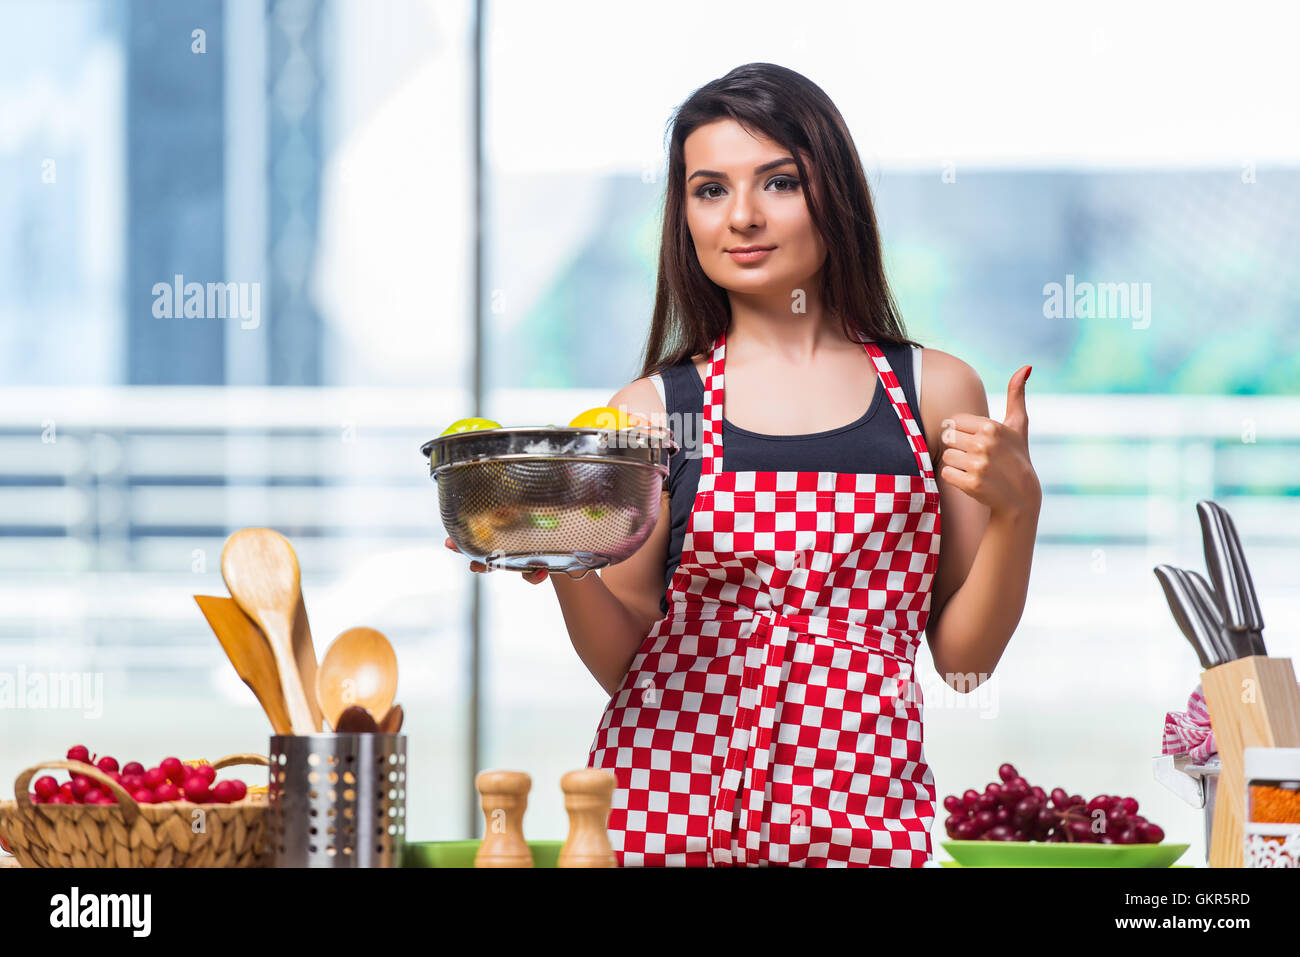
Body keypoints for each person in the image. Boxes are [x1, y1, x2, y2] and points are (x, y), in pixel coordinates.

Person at [447, 62, 1040, 867]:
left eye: (780, 182)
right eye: (711, 190)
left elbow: (964, 662)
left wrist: (1018, 511)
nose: (745, 217)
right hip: (659, 815)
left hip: (862, 822)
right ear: (683, 214)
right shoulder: (654, 412)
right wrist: (566, 557)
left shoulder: (933, 391)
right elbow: (627, 663)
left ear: (835, 193)